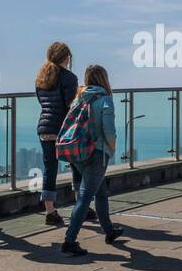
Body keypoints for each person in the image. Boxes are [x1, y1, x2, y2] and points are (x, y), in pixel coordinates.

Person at [60, 65, 124, 257]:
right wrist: (111, 149)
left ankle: (109, 231)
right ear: (104, 79)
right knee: (86, 197)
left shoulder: (78, 98)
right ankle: (69, 241)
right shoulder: (105, 100)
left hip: (78, 152)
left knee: (100, 191)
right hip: (97, 152)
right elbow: (109, 131)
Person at [34, 41, 94, 227]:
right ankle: (80, 205)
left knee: (49, 169)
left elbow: (42, 103)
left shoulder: (40, 78)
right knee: (78, 165)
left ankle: (50, 211)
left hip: (45, 128)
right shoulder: (69, 78)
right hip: (64, 130)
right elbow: (71, 105)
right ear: (67, 58)